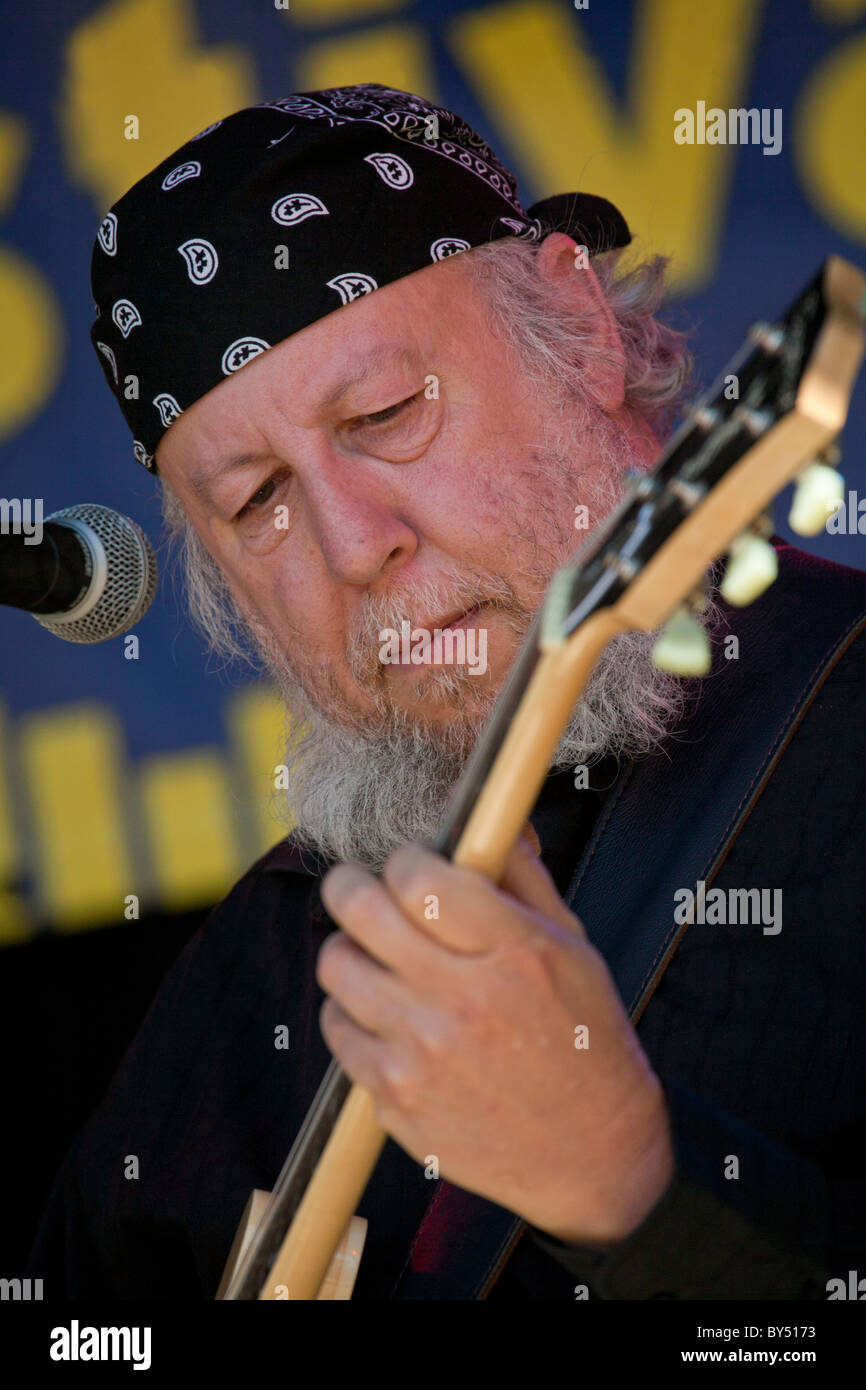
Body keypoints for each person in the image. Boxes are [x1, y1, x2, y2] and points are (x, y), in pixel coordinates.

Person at [28, 83, 866, 1300]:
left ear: (576, 327)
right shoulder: (254, 978)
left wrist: (640, 1191)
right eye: (257, 501)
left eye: (383, 413)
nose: (350, 542)